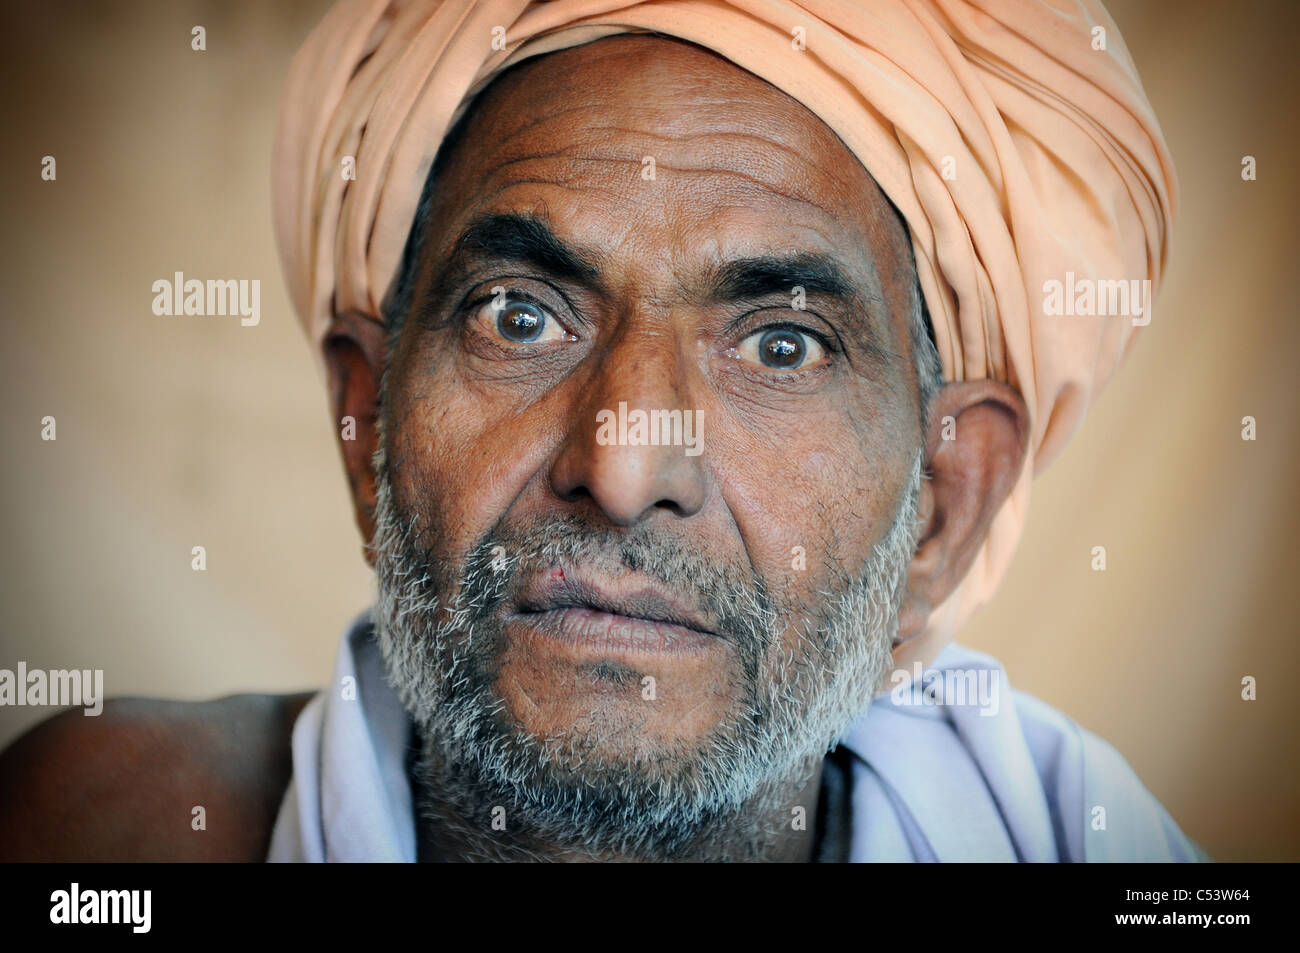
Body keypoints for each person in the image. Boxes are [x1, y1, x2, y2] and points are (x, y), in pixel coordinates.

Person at [0, 0, 1206, 862]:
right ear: (363, 419)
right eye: (520, 316)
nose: (621, 469)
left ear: (945, 504)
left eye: (780, 345)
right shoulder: (119, 833)